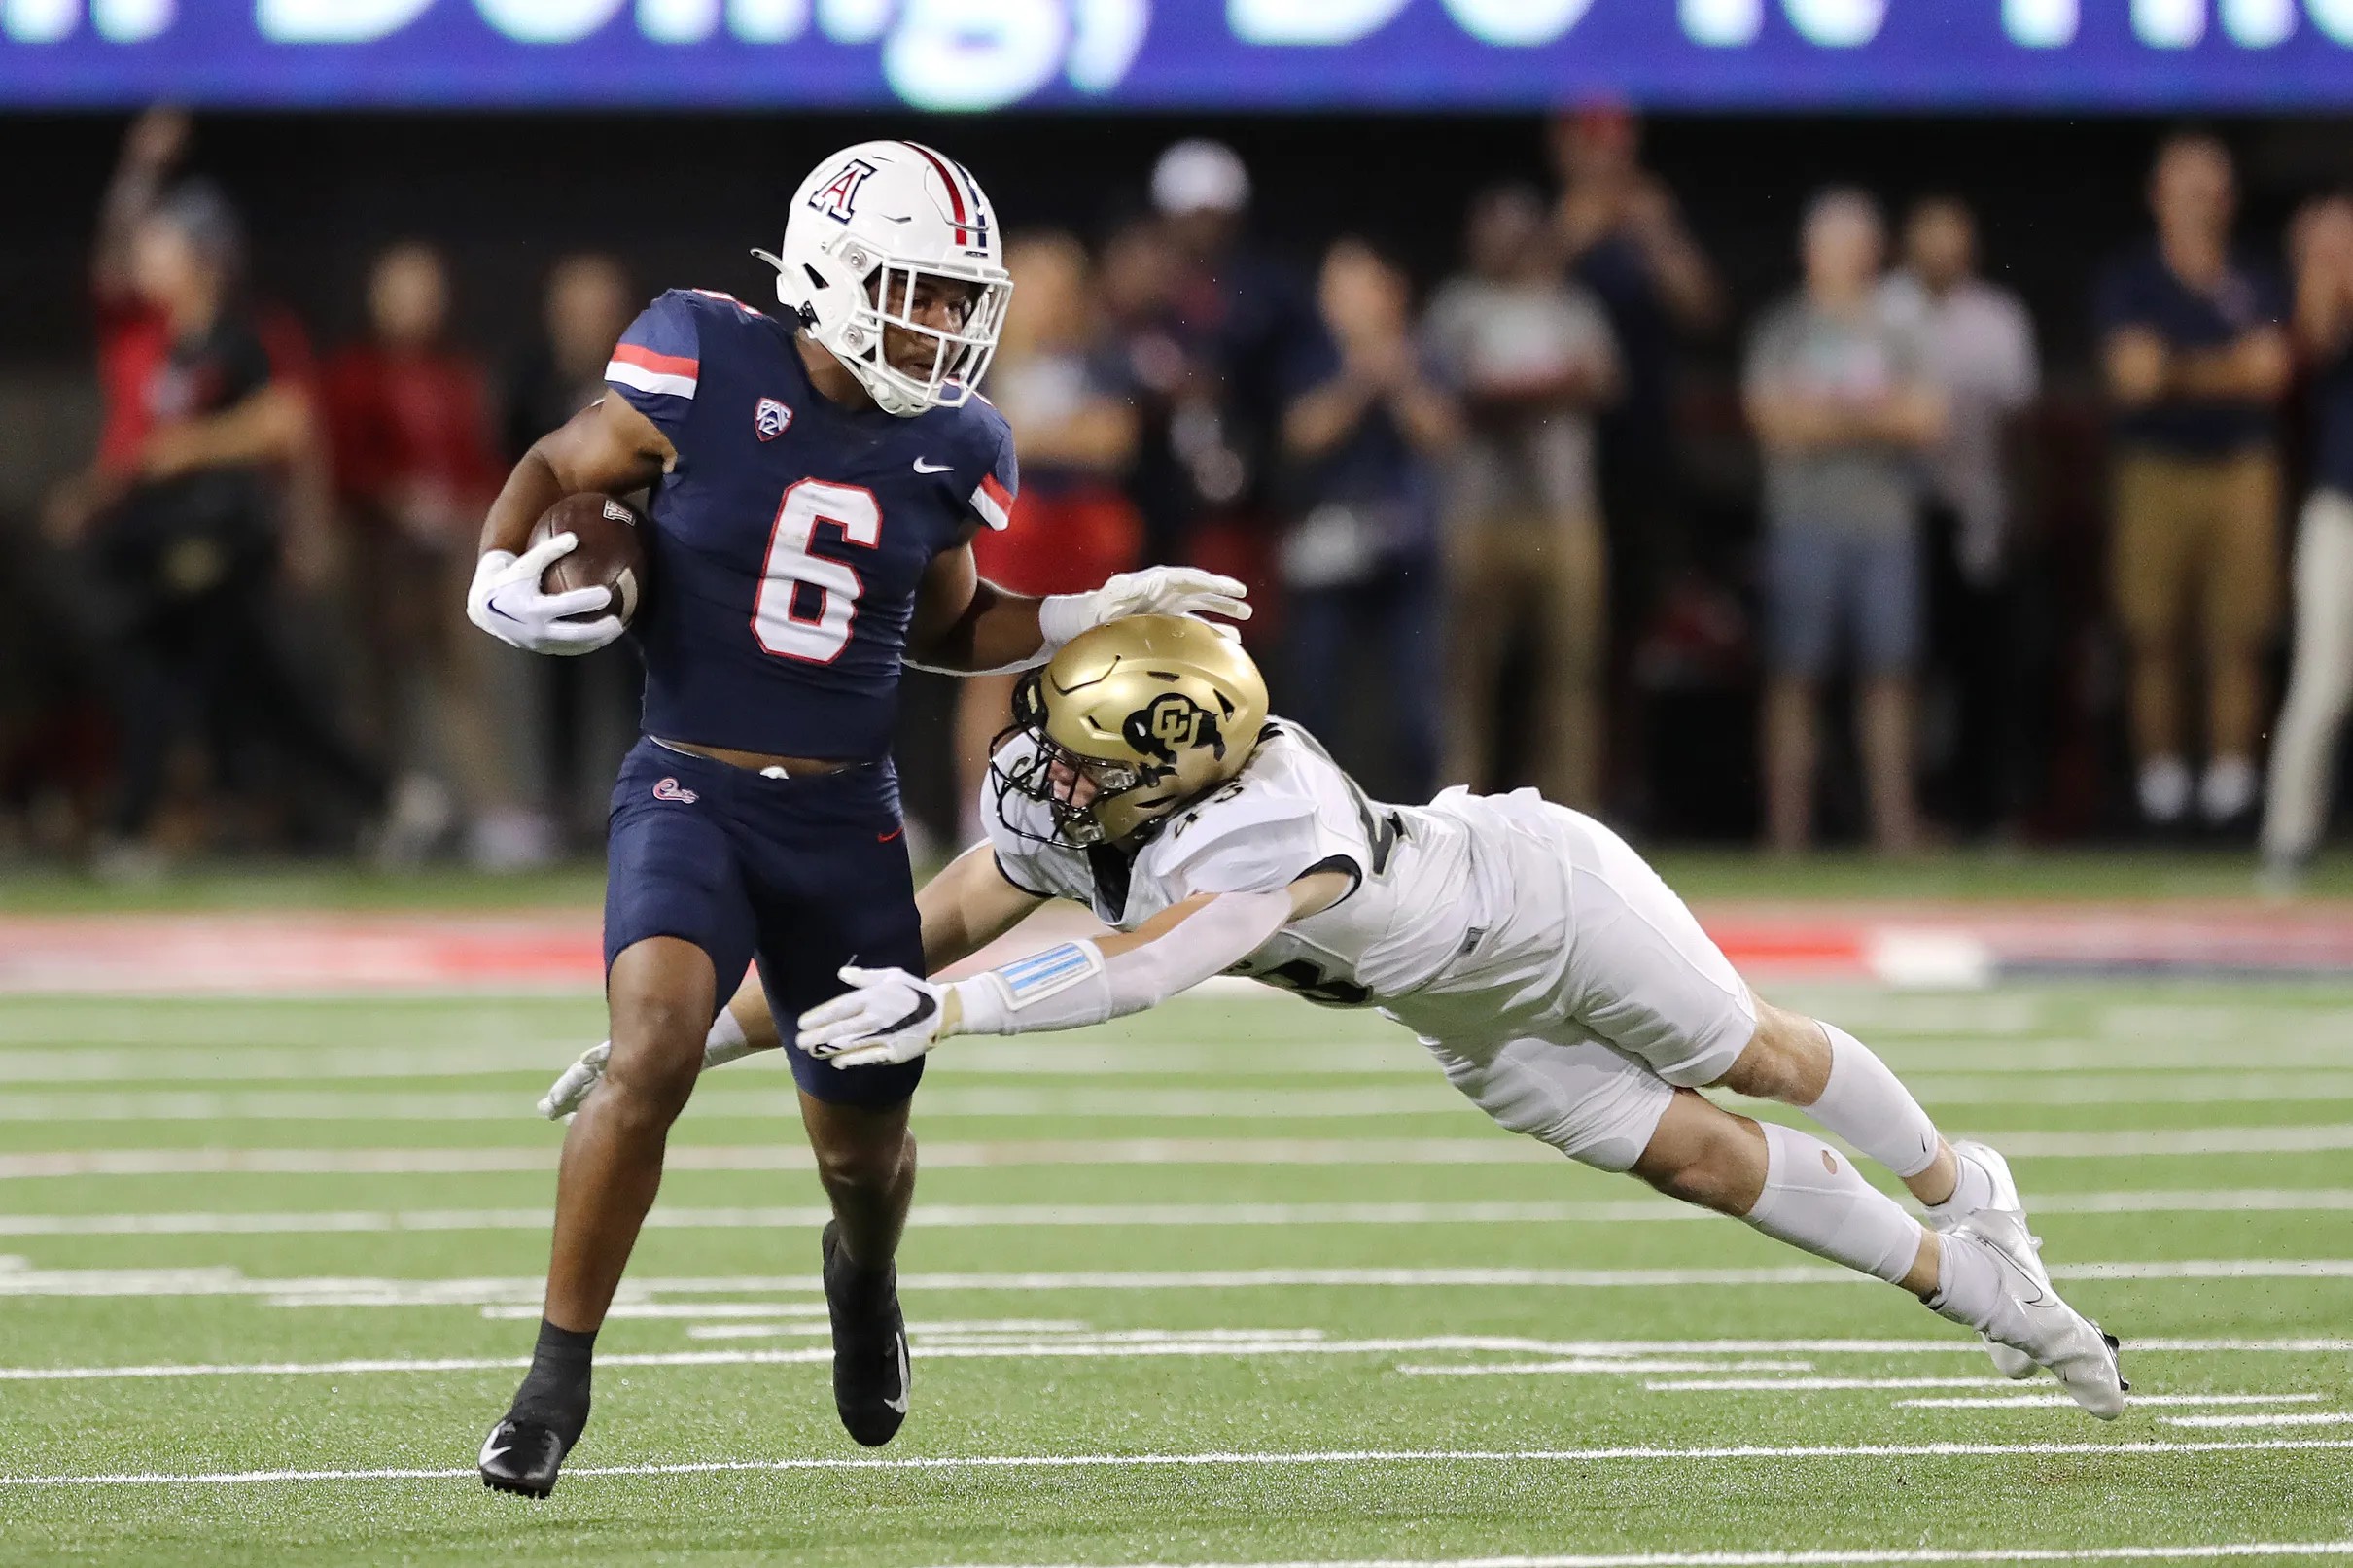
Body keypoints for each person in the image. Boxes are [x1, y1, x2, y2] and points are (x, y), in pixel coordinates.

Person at [546, 615, 2126, 1423]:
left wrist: (944, 1016)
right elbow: (943, 911)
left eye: (1100, 758)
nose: (1060, 777)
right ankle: (1974, 1289)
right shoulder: (1069, 786)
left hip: (1546, 899)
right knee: (1706, 1163)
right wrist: (704, 1039)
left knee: (1750, 1052)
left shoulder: (1264, 820)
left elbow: (1144, 963)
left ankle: (1955, 1182)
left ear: (1183, 757)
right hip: (1461, 1016)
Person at [463, 140, 1250, 1498]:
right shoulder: (700, 357)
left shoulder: (954, 442)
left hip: (844, 821)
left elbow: (948, 623)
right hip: (687, 785)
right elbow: (553, 461)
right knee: (649, 1049)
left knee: (863, 1153)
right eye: (920, 291)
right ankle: (552, 1380)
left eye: (959, 299)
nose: (944, 325)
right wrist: (496, 575)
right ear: (832, 270)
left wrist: (1084, 608)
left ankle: (862, 1273)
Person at [45, 109, 386, 873]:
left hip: (221, 536)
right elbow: (140, 443)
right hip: (155, 531)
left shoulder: (246, 332)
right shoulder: (150, 336)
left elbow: (289, 426)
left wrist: (304, 525)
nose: (145, 259)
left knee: (182, 676)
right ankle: (377, 800)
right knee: (240, 687)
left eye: (162, 245)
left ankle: (149, 821)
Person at [2096, 134, 2291, 832]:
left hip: (2240, 469)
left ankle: (2232, 786)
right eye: (2184, 189)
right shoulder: (2132, 278)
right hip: (2155, 469)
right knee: (2154, 631)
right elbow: (2132, 379)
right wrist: (2221, 371)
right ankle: (2163, 784)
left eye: (2209, 190)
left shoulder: (2254, 278)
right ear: (2158, 197)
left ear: (2229, 200)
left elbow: (2269, 373)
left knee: (2238, 632)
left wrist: (2176, 371)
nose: (2197, 205)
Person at [1744, 190, 1946, 855]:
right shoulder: (1786, 328)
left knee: (1889, 677)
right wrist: (1870, 414)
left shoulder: (1898, 329)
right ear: (1811, 251)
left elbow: (1924, 418)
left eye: (1855, 241)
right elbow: (1774, 423)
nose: (1843, 256)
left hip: (1883, 524)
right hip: (1803, 521)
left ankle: (1894, 827)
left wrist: (1827, 415)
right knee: (1794, 677)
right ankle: (1787, 834)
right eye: (1831, 242)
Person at [323, 241, 531, 866]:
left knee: (461, 678)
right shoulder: (354, 375)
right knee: (376, 685)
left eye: (429, 291)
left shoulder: (454, 376)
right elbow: (347, 465)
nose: (419, 306)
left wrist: (481, 514)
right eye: (405, 291)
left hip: (450, 554)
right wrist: (394, 500)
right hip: (380, 553)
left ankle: (492, 812)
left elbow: (479, 462)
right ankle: (382, 809)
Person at [1424, 185, 1620, 808]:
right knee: (1467, 678)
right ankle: (1456, 812)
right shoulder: (1458, 306)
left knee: (1569, 675)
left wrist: (1519, 392)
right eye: (1492, 230)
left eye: (1515, 230)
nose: (1503, 243)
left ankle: (1570, 813)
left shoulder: (1568, 305)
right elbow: (1457, 396)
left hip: (1562, 512)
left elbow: (1606, 382)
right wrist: (1542, 388)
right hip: (1479, 513)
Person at [954, 231, 1144, 846]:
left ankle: (1092, 807)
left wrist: (1031, 433)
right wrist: (1061, 434)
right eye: (1036, 286)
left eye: (1061, 287)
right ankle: (978, 814)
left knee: (1095, 668)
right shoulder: (978, 359)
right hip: (1017, 521)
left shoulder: (1101, 358)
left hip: (1088, 524)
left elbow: (1115, 439)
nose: (1049, 302)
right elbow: (976, 441)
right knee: (992, 669)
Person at [1879, 196, 2042, 837]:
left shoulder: (1996, 319)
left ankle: (1985, 805)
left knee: (1983, 667)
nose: (1943, 251)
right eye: (1931, 238)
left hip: (1975, 512)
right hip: (1898, 514)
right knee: (1902, 666)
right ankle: (1910, 808)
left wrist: (2020, 507)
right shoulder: (1882, 309)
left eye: (1954, 239)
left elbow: (2017, 426)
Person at [1275, 237, 1459, 802]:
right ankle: (1311, 819)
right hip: (1327, 547)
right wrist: (1359, 380)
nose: (1342, 300)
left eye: (1356, 285)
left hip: (1407, 548)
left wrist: (1397, 375)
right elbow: (1301, 435)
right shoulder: (1312, 356)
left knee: (1416, 707)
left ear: (1390, 291)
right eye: (1334, 288)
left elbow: (1443, 435)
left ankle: (1428, 826)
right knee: (1315, 700)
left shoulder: (1423, 352)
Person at [2260, 194, 2353, 885]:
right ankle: (2288, 837)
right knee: (2323, 680)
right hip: (2340, 511)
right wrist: (2323, 259)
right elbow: (2315, 332)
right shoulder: (2321, 307)